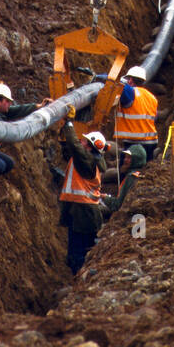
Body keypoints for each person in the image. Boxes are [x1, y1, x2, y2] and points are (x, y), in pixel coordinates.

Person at [58, 114, 107, 275]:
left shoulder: (87, 160)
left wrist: (68, 124)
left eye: (84, 141)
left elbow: (74, 145)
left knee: (78, 251)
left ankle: (79, 279)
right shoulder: (89, 160)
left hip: (83, 214)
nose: (81, 141)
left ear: (90, 147)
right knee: (82, 248)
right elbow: (70, 151)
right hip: (85, 213)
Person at [113, 65, 158, 164]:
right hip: (151, 142)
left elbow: (114, 83)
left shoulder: (130, 92)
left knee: (125, 171)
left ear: (130, 80)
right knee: (144, 172)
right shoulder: (151, 97)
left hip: (134, 143)